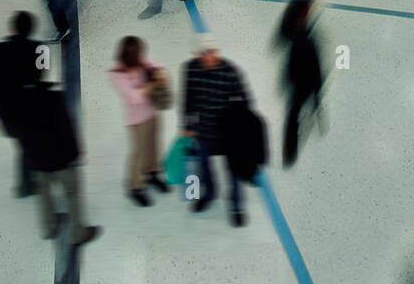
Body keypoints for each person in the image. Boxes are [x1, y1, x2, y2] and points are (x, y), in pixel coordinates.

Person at [13, 78, 101, 247]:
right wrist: (76, 154)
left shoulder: (18, 104)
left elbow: (16, 132)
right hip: (61, 159)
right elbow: (66, 128)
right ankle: (78, 232)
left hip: (36, 159)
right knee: (72, 193)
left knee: (43, 193)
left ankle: (48, 227)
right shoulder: (54, 99)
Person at [180, 36, 253, 226]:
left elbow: (245, 101)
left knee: (234, 172)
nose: (211, 56)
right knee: (203, 166)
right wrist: (187, 127)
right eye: (206, 53)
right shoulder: (190, 69)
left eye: (214, 52)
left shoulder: (230, 71)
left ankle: (236, 206)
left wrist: (240, 126)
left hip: (228, 133)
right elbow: (188, 100)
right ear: (197, 55)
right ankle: (209, 194)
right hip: (203, 131)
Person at [0, 11, 41, 198]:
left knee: (23, 142)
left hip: (5, 110)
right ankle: (28, 182)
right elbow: (42, 75)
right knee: (29, 141)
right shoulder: (40, 49)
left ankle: (26, 182)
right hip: (30, 108)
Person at [109, 36, 171, 206]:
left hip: (152, 112)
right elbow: (134, 97)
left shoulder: (141, 62)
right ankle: (134, 186)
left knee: (154, 146)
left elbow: (156, 65)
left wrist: (160, 72)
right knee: (138, 153)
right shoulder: (117, 72)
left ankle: (153, 173)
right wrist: (152, 84)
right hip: (136, 120)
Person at [275, 0, 324, 167]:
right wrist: (318, 96)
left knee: (292, 115)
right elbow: (315, 69)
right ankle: (289, 153)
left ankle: (289, 154)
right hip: (302, 83)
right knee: (293, 115)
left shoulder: (295, 26)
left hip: (295, 80)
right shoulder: (305, 39)